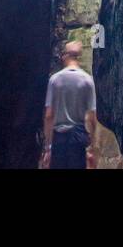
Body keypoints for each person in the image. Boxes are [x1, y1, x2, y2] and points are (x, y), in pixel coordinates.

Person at [41, 41, 97, 169]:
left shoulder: (55, 80)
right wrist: (91, 147)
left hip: (59, 138)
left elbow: (49, 115)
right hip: (78, 138)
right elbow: (92, 118)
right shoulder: (87, 80)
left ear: (64, 56)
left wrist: (48, 148)